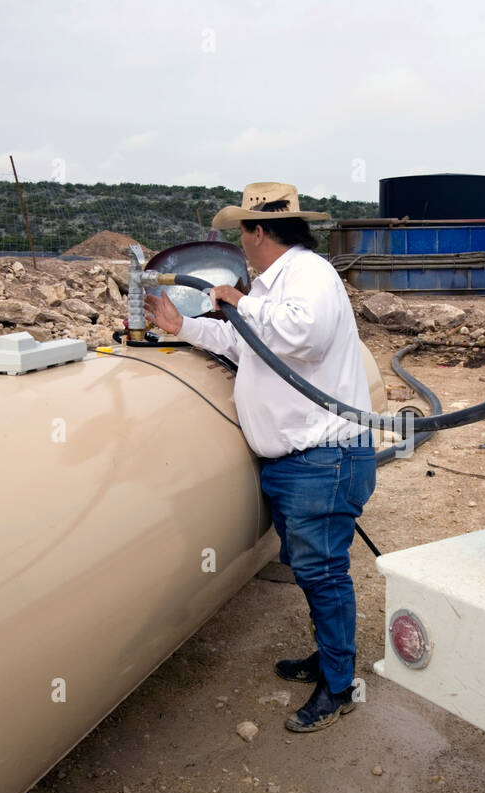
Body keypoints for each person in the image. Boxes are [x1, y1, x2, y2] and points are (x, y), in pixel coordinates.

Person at [142, 182, 377, 732]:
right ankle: (329, 660)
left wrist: (240, 301)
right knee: (315, 574)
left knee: (324, 576)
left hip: (323, 457)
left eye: (242, 231)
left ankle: (339, 687)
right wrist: (186, 328)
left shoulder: (307, 274)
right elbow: (246, 345)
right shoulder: (277, 283)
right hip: (301, 462)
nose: (240, 242)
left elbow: (307, 336)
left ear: (259, 232)